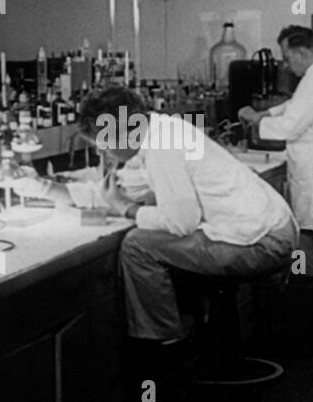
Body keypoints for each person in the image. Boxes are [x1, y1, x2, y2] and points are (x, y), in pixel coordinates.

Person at [18, 86, 298, 345]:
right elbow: (113, 192)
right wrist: (44, 188)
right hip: (272, 227)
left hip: (262, 243)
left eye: (102, 143)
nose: (101, 150)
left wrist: (128, 210)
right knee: (145, 239)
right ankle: (182, 335)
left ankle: (161, 345)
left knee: (137, 245)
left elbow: (180, 222)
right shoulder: (158, 130)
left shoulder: (163, 146)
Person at [238, 25, 313, 323]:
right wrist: (266, 114)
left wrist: (253, 122)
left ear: (302, 52)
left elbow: (291, 124)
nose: (286, 65)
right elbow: (294, 106)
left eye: (287, 58)